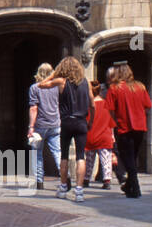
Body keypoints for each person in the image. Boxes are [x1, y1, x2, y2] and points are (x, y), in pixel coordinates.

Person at [39, 57, 91, 203]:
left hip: (67, 121)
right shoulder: (85, 82)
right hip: (81, 121)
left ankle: (63, 187)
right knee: (81, 156)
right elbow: (92, 102)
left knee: (64, 156)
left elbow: (41, 85)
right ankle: (79, 191)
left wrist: (53, 74)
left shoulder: (61, 81)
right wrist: (90, 120)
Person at [105, 63, 151, 198]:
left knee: (127, 158)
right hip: (140, 127)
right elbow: (148, 105)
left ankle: (135, 188)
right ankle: (129, 186)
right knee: (133, 157)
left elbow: (110, 109)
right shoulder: (140, 86)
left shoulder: (114, 88)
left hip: (124, 127)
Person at [28, 63, 61, 191]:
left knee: (37, 154)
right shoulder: (56, 87)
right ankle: (65, 176)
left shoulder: (34, 88)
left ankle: (39, 181)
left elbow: (33, 108)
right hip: (55, 123)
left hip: (40, 125)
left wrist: (31, 126)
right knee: (57, 153)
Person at [84, 80, 116, 190]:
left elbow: (86, 121)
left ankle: (86, 179)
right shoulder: (107, 104)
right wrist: (112, 136)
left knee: (89, 160)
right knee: (106, 159)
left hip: (91, 135)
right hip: (104, 136)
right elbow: (111, 123)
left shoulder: (88, 106)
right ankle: (107, 180)